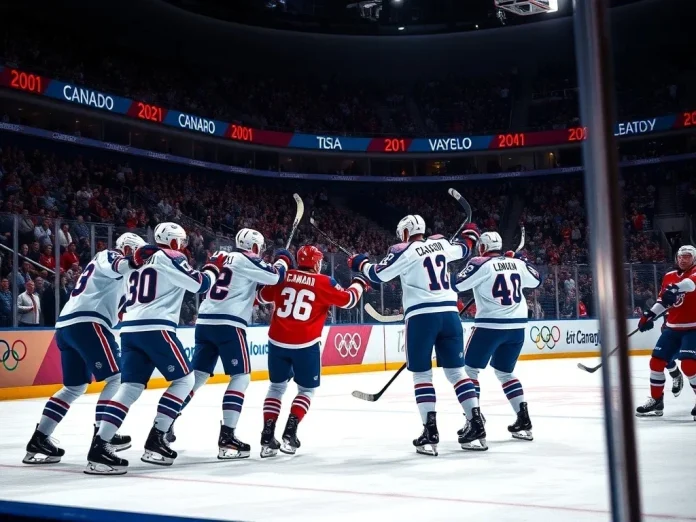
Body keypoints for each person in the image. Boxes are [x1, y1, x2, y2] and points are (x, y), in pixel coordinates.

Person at [87, 223, 225, 475]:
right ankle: (157, 437)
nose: (182, 247)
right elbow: (199, 284)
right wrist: (213, 268)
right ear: (173, 242)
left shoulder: (140, 259)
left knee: (129, 388)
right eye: (180, 242)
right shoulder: (169, 256)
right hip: (156, 327)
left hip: (130, 329)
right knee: (185, 380)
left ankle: (99, 445)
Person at [348, 215, 480, 456]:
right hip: (450, 315)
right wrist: (470, 234)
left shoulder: (404, 250)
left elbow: (379, 275)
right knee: (457, 373)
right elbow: (464, 249)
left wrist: (361, 263)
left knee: (422, 375)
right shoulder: (441, 243)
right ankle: (476, 423)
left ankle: (430, 432)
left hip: (421, 317)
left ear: (406, 233)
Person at [22, 232, 145, 466]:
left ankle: (40, 438)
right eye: (138, 253)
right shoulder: (110, 255)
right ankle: (102, 439)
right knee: (117, 378)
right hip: (89, 323)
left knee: (74, 387)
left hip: (69, 326)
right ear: (129, 249)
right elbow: (122, 264)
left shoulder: (123, 275)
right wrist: (141, 258)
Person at [177, 228, 293, 459]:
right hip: (228, 324)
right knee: (240, 377)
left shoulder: (223, 255)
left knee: (197, 377)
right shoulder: (246, 258)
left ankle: (167, 421)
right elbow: (275, 276)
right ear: (255, 247)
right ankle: (227, 437)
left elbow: (251, 287)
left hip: (205, 321)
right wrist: (283, 260)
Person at [256, 245, 368, 457]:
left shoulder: (284, 276)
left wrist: (276, 267)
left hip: (277, 341)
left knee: (276, 388)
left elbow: (261, 296)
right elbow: (349, 300)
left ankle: (267, 435)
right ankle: (291, 431)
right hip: (305, 345)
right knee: (306, 391)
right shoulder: (324, 281)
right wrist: (360, 282)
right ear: (316, 263)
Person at [452, 233, 542, 447]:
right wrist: (521, 261)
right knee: (505, 372)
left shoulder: (479, 263)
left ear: (482, 247)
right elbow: (538, 280)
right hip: (517, 327)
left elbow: (458, 284)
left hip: (490, 326)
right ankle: (524, 420)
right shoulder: (516, 263)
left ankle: (473, 422)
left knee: (468, 371)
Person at [636, 245, 696, 420]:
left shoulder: (693, 275)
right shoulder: (669, 276)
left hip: (693, 328)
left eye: (687, 256)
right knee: (656, 362)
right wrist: (649, 315)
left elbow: (690, 284)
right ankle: (656, 401)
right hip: (672, 328)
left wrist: (675, 289)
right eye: (680, 256)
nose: (683, 259)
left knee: (689, 365)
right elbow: (663, 301)